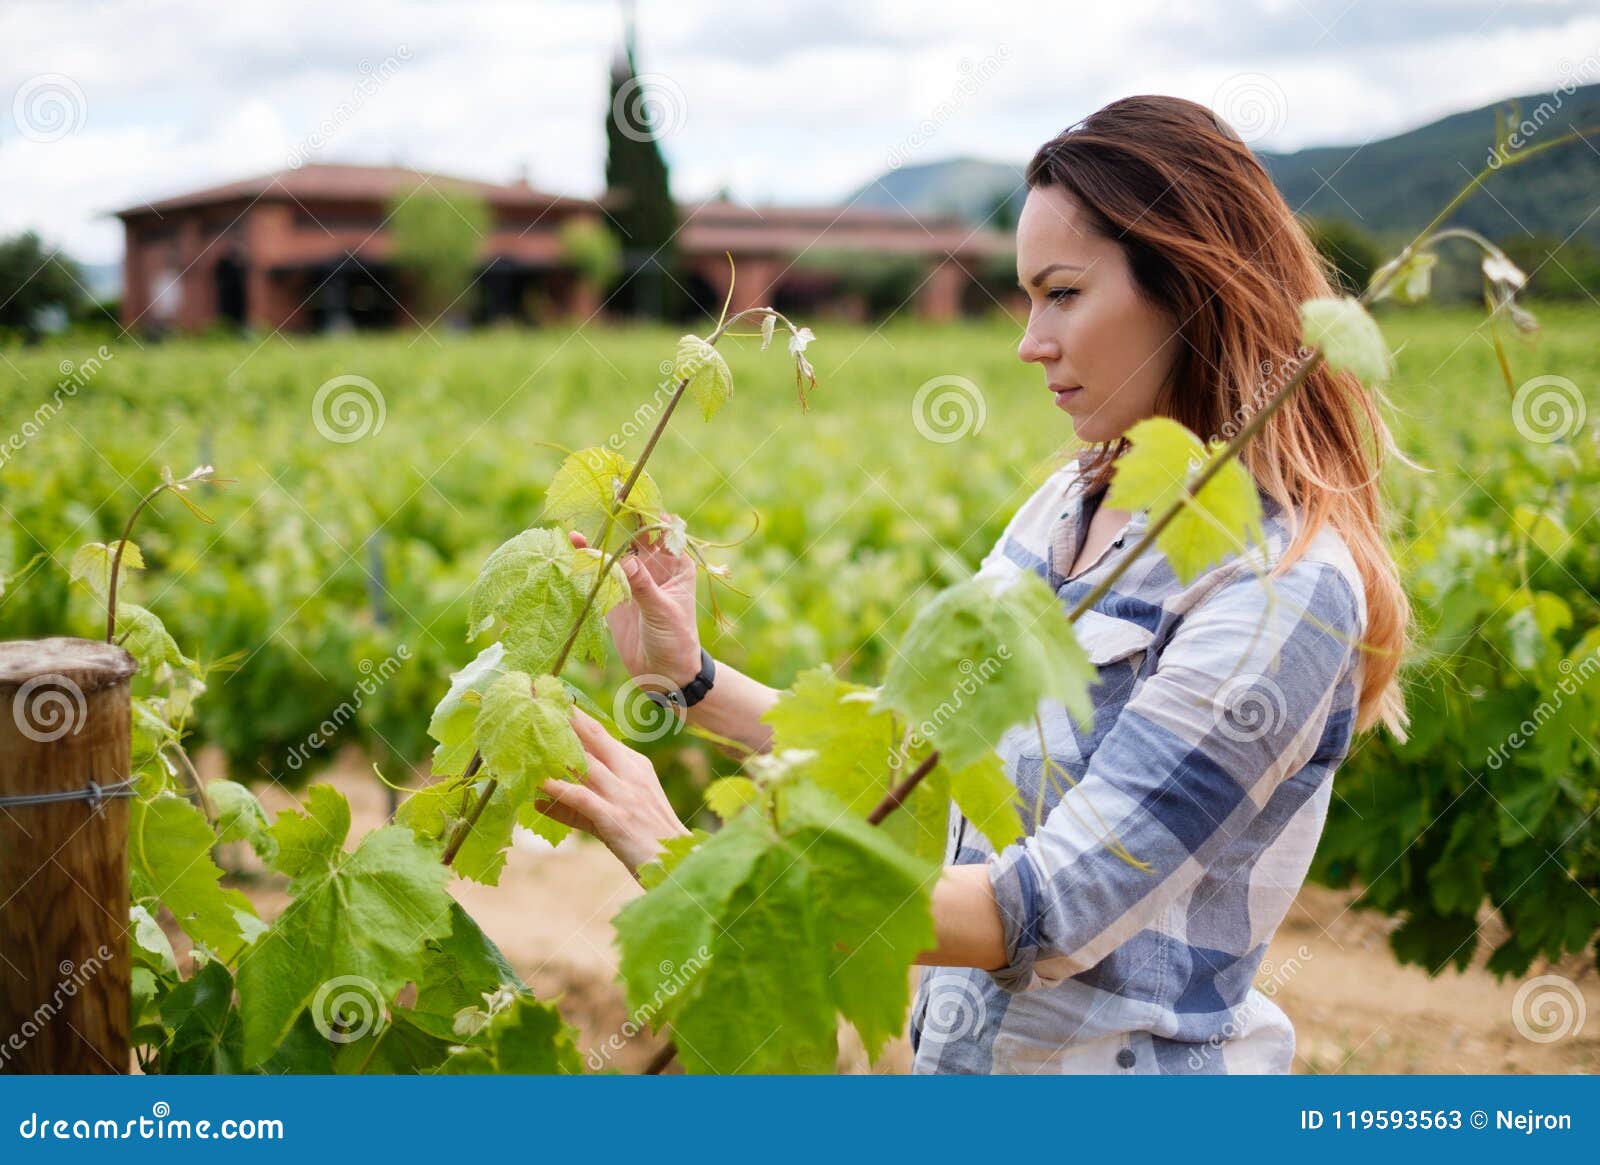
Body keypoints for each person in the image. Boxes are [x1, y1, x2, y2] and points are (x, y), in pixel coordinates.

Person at [533, 94, 1411, 1074]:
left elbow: (1044, 906)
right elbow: (930, 752)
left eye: (1063, 293)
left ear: (1186, 285)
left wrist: (694, 873)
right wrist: (695, 680)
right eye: (1027, 296)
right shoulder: (1066, 507)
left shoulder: (1281, 591)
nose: (1030, 340)